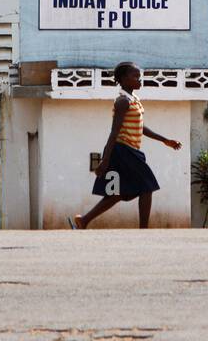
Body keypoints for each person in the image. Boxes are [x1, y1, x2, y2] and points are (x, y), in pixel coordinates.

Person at [68, 62, 181, 229]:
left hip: (131, 151)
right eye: (135, 76)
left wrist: (165, 140)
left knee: (118, 193)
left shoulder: (134, 100)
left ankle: (83, 221)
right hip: (122, 151)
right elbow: (114, 132)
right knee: (147, 186)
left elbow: (140, 127)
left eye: (139, 76)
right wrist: (105, 160)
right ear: (123, 79)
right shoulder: (122, 102)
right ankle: (144, 230)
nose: (139, 79)